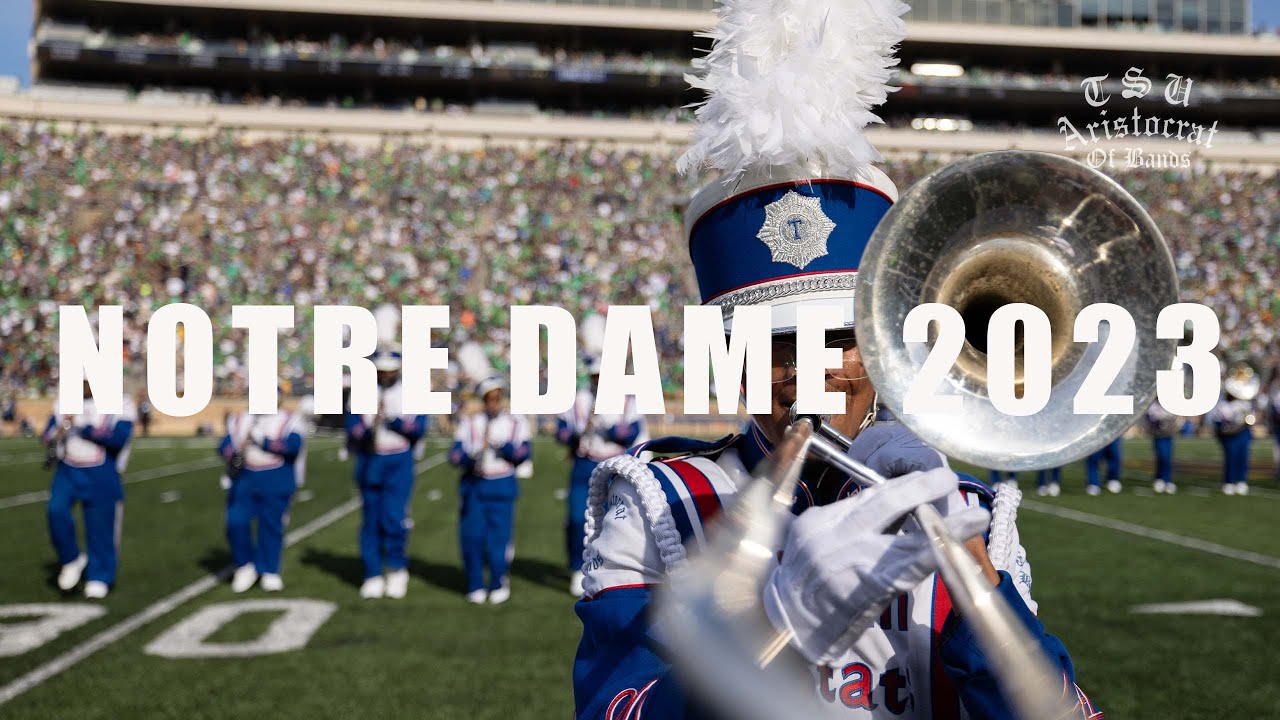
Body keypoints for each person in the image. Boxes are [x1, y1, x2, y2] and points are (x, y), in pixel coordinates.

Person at [571, 4, 1098, 712]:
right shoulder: (662, 505)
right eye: (775, 346)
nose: (812, 373)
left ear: (880, 350)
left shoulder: (962, 510)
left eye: (838, 339)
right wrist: (776, 628)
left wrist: (977, 591)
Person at [555, 360, 648, 597]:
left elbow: (633, 432)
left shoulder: (627, 400)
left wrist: (610, 429)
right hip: (584, 463)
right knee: (577, 519)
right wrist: (576, 433)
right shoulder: (578, 399)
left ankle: (610, 569)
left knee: (617, 521)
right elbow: (561, 431)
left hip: (615, 465)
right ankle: (578, 567)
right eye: (596, 376)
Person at [346, 348, 428, 599]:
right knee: (370, 520)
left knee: (394, 518)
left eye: (388, 371)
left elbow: (418, 428)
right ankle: (372, 573)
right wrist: (366, 431)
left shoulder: (411, 392)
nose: (384, 376)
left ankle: (396, 568)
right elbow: (352, 428)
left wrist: (393, 421)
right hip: (371, 459)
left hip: (398, 460)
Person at [44, 381, 136, 599]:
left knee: (100, 526)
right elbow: (47, 433)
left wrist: (84, 426)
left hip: (101, 470)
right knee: (55, 511)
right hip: (67, 468)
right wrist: (56, 432)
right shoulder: (63, 402)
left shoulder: (121, 402)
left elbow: (118, 438)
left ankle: (100, 575)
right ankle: (71, 558)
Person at [449, 378, 532, 605]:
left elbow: (523, 453)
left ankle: (497, 580)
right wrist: (472, 455)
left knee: (499, 539)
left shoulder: (515, 422)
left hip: (501, 485)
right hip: (474, 485)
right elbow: (454, 455)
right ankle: (475, 583)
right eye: (489, 398)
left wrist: (502, 446)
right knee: (472, 537)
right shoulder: (470, 423)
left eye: (497, 397)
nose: (494, 403)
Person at [217, 402, 307, 592]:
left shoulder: (289, 420)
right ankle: (244, 566)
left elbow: (293, 446)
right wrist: (233, 452)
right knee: (235, 522)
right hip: (245, 479)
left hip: (276, 478)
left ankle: (269, 570)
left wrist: (263, 441)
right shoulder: (241, 418)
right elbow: (224, 445)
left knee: (271, 527)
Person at [1207, 386, 1255, 495]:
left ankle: (1242, 481)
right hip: (1229, 435)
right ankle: (1229, 481)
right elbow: (1217, 420)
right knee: (1231, 458)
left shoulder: (1244, 404)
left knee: (1243, 457)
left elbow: (1251, 418)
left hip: (1243, 433)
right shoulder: (1221, 404)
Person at [1145, 398, 1178, 494]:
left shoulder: (1169, 405)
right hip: (1158, 435)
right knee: (1162, 456)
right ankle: (1160, 479)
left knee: (1167, 457)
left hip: (1168, 434)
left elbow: (1173, 419)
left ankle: (1166, 480)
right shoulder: (1153, 406)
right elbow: (1150, 419)